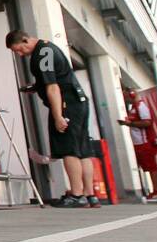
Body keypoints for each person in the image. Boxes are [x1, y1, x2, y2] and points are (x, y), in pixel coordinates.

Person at [7, 29, 98, 208]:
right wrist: (36, 87)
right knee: (83, 150)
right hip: (79, 101)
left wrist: (58, 116)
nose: (20, 54)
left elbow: (53, 87)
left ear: (25, 40)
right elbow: (54, 79)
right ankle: (90, 195)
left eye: (19, 49)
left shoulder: (42, 54)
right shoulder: (49, 47)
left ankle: (77, 195)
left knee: (69, 149)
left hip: (66, 104)